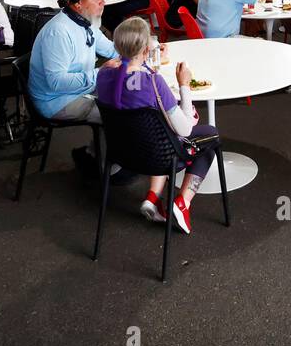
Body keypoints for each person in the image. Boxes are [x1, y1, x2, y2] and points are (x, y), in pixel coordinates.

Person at [96, 17, 224, 234]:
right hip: (158, 157)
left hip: (123, 153)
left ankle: (153, 198)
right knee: (210, 137)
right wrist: (184, 85)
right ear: (146, 49)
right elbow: (185, 129)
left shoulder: (104, 74)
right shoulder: (153, 83)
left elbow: (128, 81)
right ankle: (182, 202)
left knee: (161, 133)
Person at [27, 0, 119, 125]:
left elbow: (111, 50)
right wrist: (100, 73)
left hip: (80, 89)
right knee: (119, 114)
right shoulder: (58, 32)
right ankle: (98, 148)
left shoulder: (86, 23)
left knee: (128, 95)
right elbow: (56, 82)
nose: (103, 2)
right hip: (57, 101)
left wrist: (142, 49)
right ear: (78, 3)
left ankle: (99, 147)